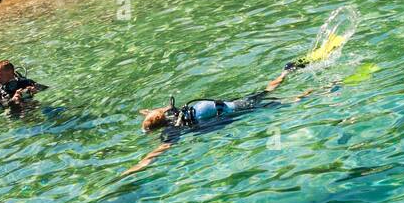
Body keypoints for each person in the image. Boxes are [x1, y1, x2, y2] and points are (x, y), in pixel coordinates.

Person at [124, 60, 314, 176]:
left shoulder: (172, 131)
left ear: (158, 128)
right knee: (265, 92)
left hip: (233, 111)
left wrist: (136, 167)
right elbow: (158, 112)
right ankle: (285, 72)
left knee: (282, 102)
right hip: (228, 104)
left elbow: (157, 153)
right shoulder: (171, 112)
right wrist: (146, 113)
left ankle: (310, 94)